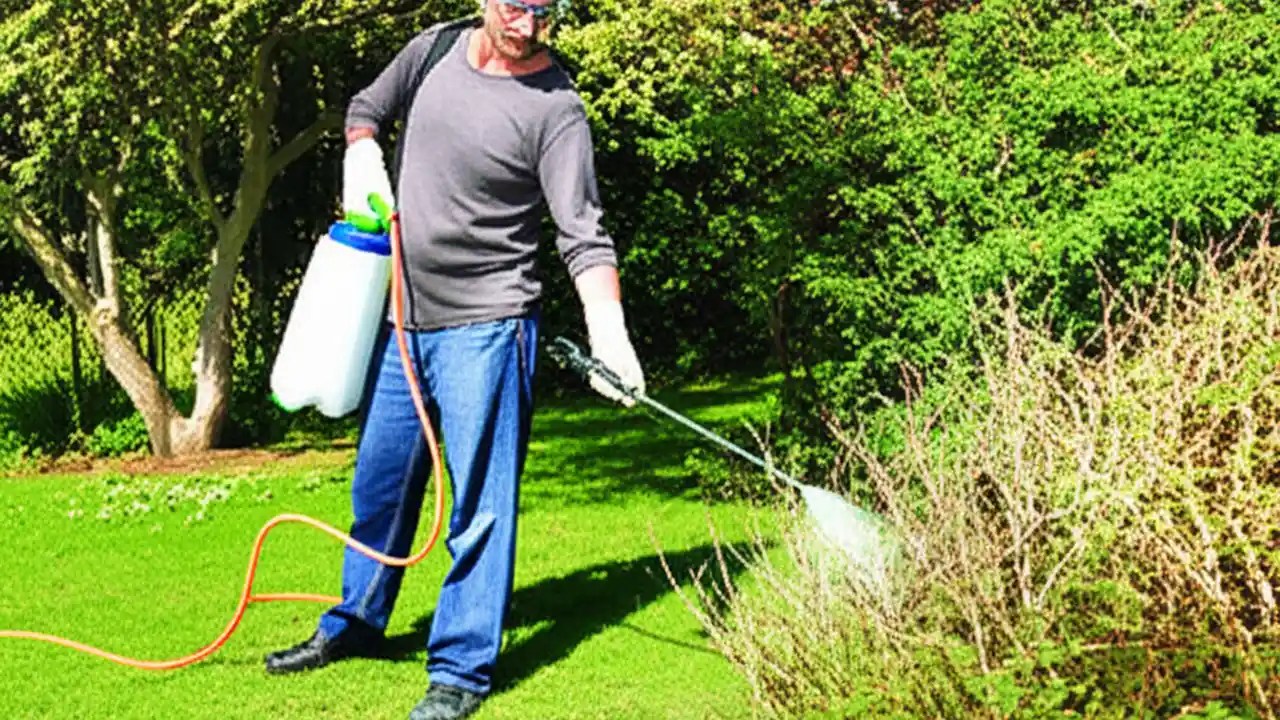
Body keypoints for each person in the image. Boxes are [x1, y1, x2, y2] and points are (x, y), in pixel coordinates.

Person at [262, 0, 645, 718]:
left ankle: (461, 670)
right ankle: (356, 622)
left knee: (479, 509)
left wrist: (607, 325)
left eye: (544, 11)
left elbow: (583, 233)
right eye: (515, 6)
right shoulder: (433, 49)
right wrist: (361, 149)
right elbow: (365, 106)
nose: (527, 25)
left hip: (490, 327)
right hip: (402, 321)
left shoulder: (557, 108)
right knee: (379, 489)